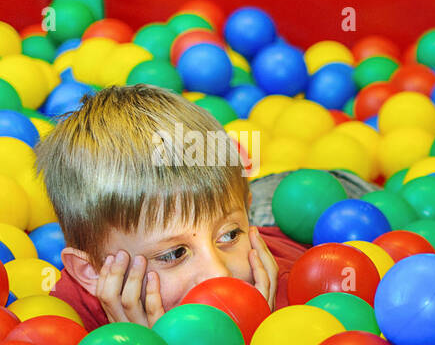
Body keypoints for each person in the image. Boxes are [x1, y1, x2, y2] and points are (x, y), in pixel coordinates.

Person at [35, 85, 307, 330]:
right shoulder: (65, 322)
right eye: (174, 254)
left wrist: (258, 324)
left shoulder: (291, 290)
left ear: (246, 217)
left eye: (230, 235)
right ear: (93, 271)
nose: (219, 272)